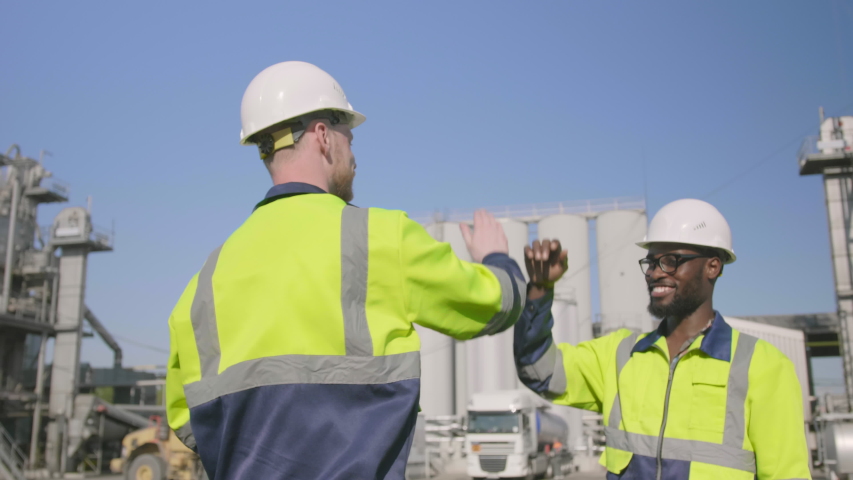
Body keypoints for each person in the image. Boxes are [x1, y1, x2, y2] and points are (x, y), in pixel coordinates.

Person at [164, 60, 530, 480]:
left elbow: (185, 418)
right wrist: (496, 259)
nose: (354, 156)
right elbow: (495, 304)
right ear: (323, 136)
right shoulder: (379, 238)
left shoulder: (205, 280)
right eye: (349, 138)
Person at [514, 199, 811, 480]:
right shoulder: (620, 355)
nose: (655, 273)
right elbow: (539, 370)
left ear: (713, 266)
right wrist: (539, 288)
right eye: (651, 262)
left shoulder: (762, 366)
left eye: (671, 260)